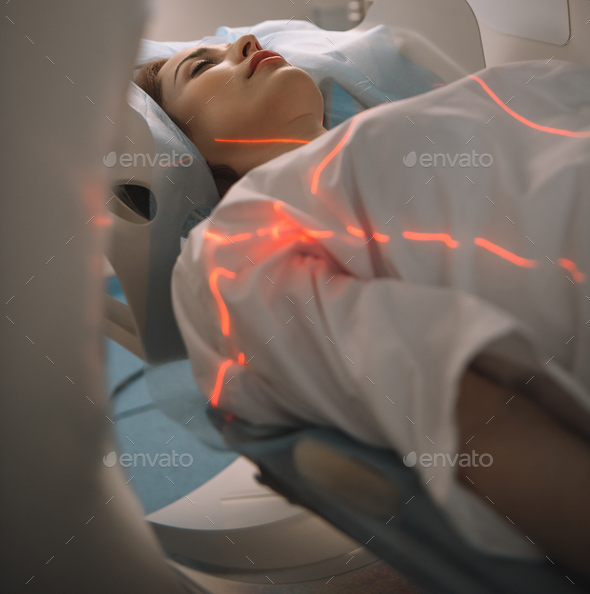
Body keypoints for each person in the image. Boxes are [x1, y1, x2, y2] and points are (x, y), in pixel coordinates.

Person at [136, 34, 590, 581]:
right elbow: (470, 411)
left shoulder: (436, 115)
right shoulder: (235, 244)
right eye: (202, 66)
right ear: (187, 151)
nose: (247, 42)